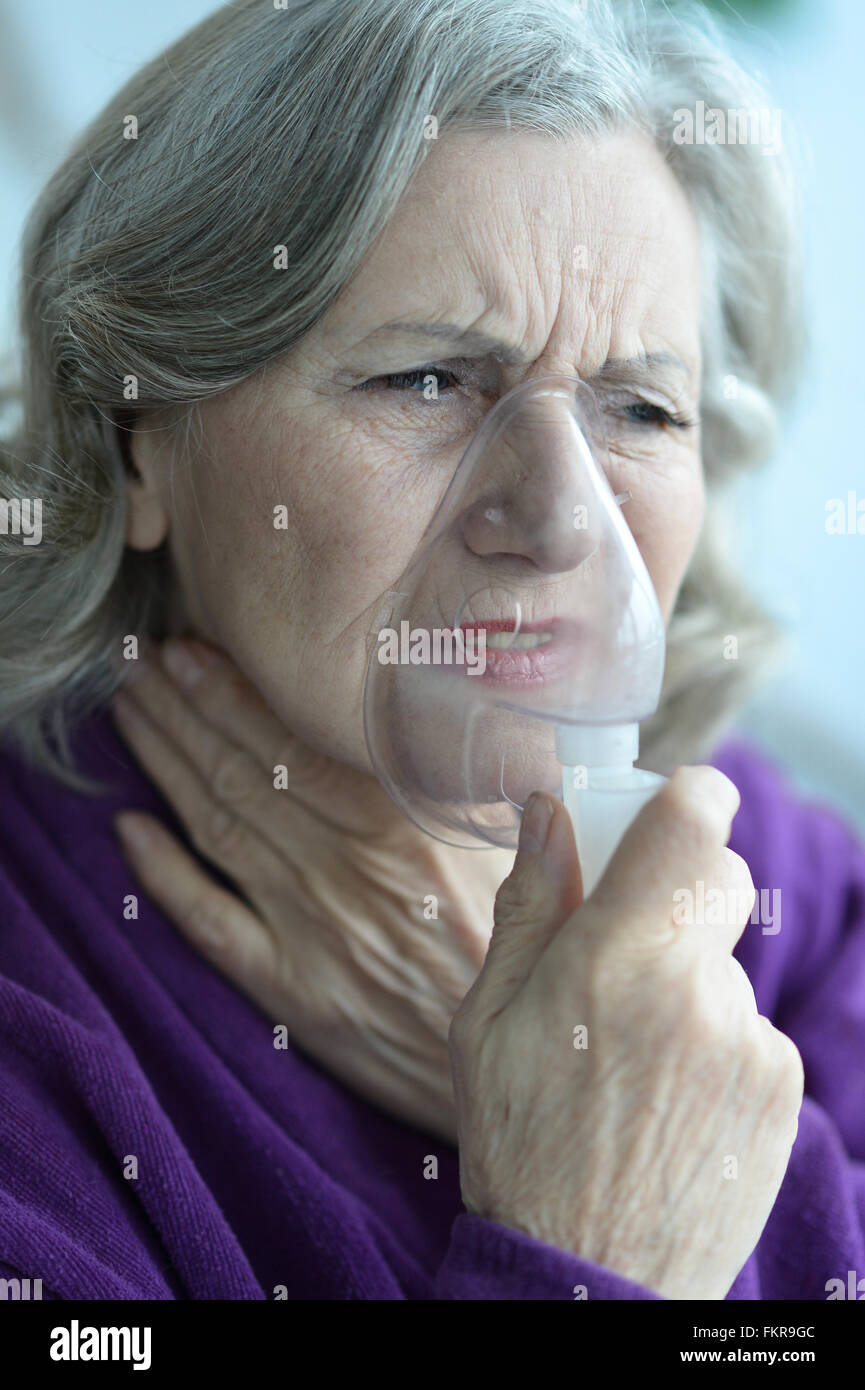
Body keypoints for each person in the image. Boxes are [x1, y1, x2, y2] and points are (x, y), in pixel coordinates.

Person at [0, 0, 862, 1301]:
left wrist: (547, 1059)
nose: (562, 515)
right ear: (138, 443)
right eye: (428, 381)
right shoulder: (37, 1017)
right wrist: (593, 1243)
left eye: (637, 406)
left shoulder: (778, 881)